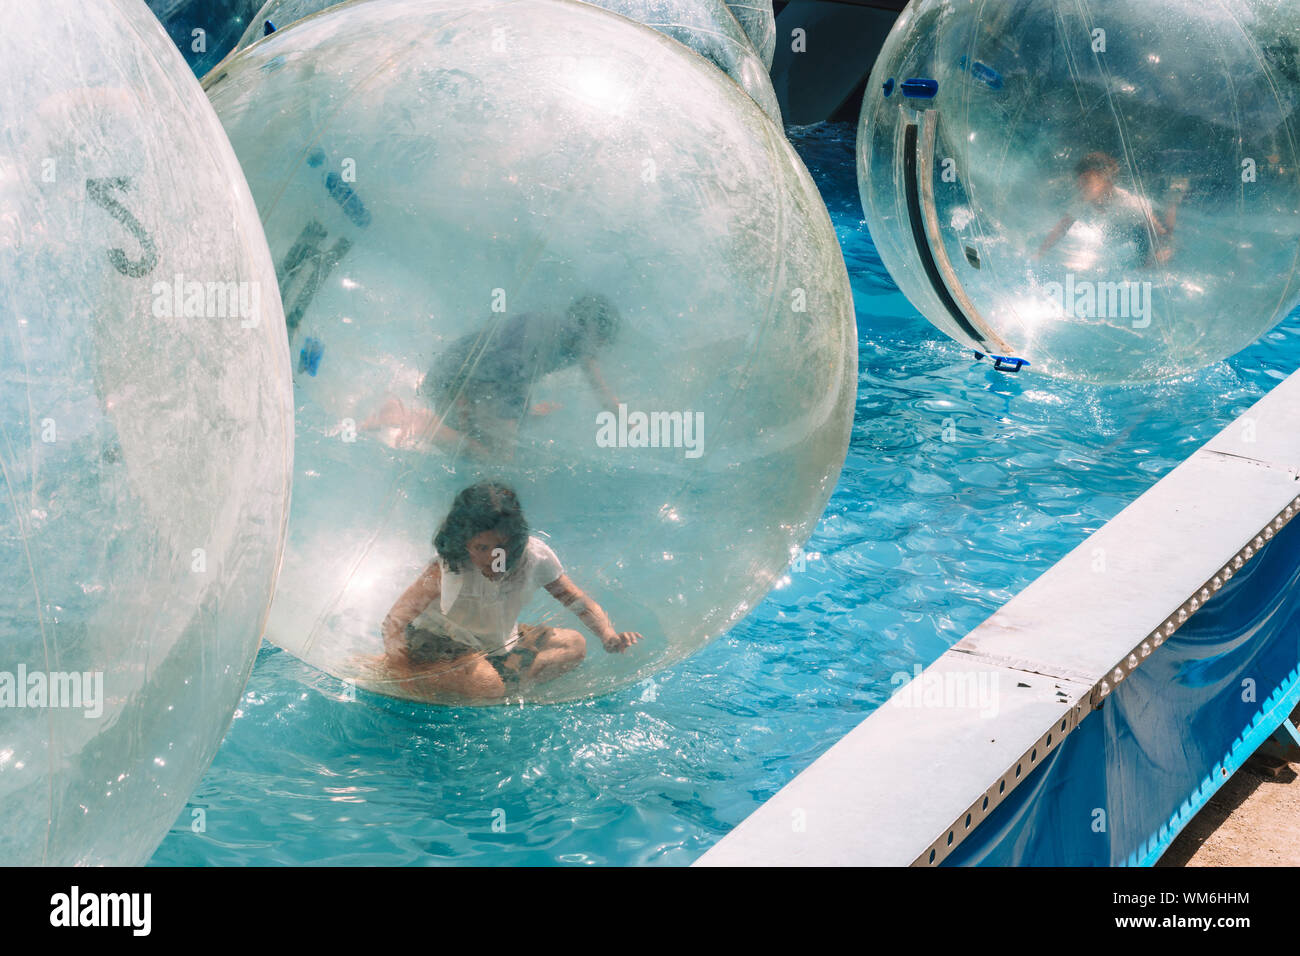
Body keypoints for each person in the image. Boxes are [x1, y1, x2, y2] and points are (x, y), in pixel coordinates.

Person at [372, 481, 641, 700]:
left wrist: (607, 634)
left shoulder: (534, 557)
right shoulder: (448, 568)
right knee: (489, 687)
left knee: (573, 645)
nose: (492, 558)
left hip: (495, 643)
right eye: (481, 548)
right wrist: (399, 669)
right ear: (463, 543)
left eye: (501, 548)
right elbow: (394, 621)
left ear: (516, 539)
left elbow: (575, 598)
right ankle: (480, 681)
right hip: (438, 641)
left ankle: (492, 681)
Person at [361, 293, 622, 457]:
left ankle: (396, 409)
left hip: (465, 358)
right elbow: (602, 390)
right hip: (497, 375)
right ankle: (411, 421)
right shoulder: (581, 336)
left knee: (471, 429)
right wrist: (627, 420)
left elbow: (506, 360)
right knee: (497, 457)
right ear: (597, 333)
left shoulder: (548, 324)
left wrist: (524, 412)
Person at [1036, 152, 1177, 267]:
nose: (1081, 186)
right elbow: (1061, 228)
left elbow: (1159, 232)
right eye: (1079, 181)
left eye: (1086, 181)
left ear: (1107, 181)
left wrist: (1159, 254)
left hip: (1147, 224)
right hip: (1122, 231)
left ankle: (1174, 200)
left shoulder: (1129, 204)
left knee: (1146, 258)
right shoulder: (1084, 201)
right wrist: (1040, 253)